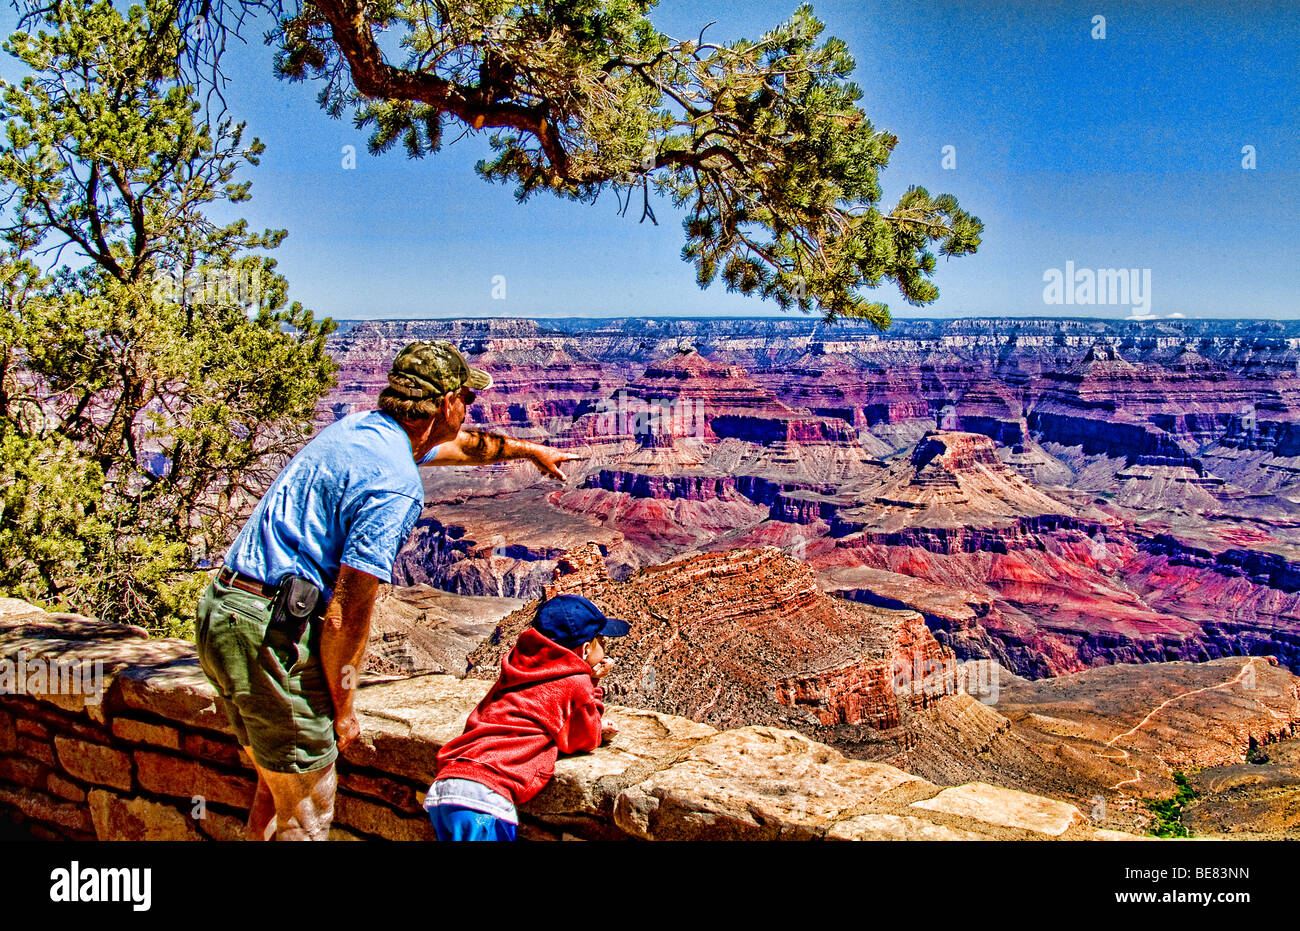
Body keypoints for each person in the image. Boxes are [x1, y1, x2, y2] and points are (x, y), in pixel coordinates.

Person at [195, 339, 579, 840]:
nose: (470, 409)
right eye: (468, 399)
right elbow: (347, 612)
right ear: (446, 404)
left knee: (275, 789)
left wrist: (528, 450)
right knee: (307, 812)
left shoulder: (357, 430)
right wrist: (345, 704)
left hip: (223, 613)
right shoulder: (396, 484)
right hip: (274, 638)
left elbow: (456, 448)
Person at [423, 594, 629, 841]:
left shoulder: (519, 663)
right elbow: (582, 738)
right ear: (585, 650)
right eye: (602, 641)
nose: (606, 647)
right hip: (485, 800)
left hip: (451, 780)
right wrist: (593, 683)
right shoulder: (576, 682)